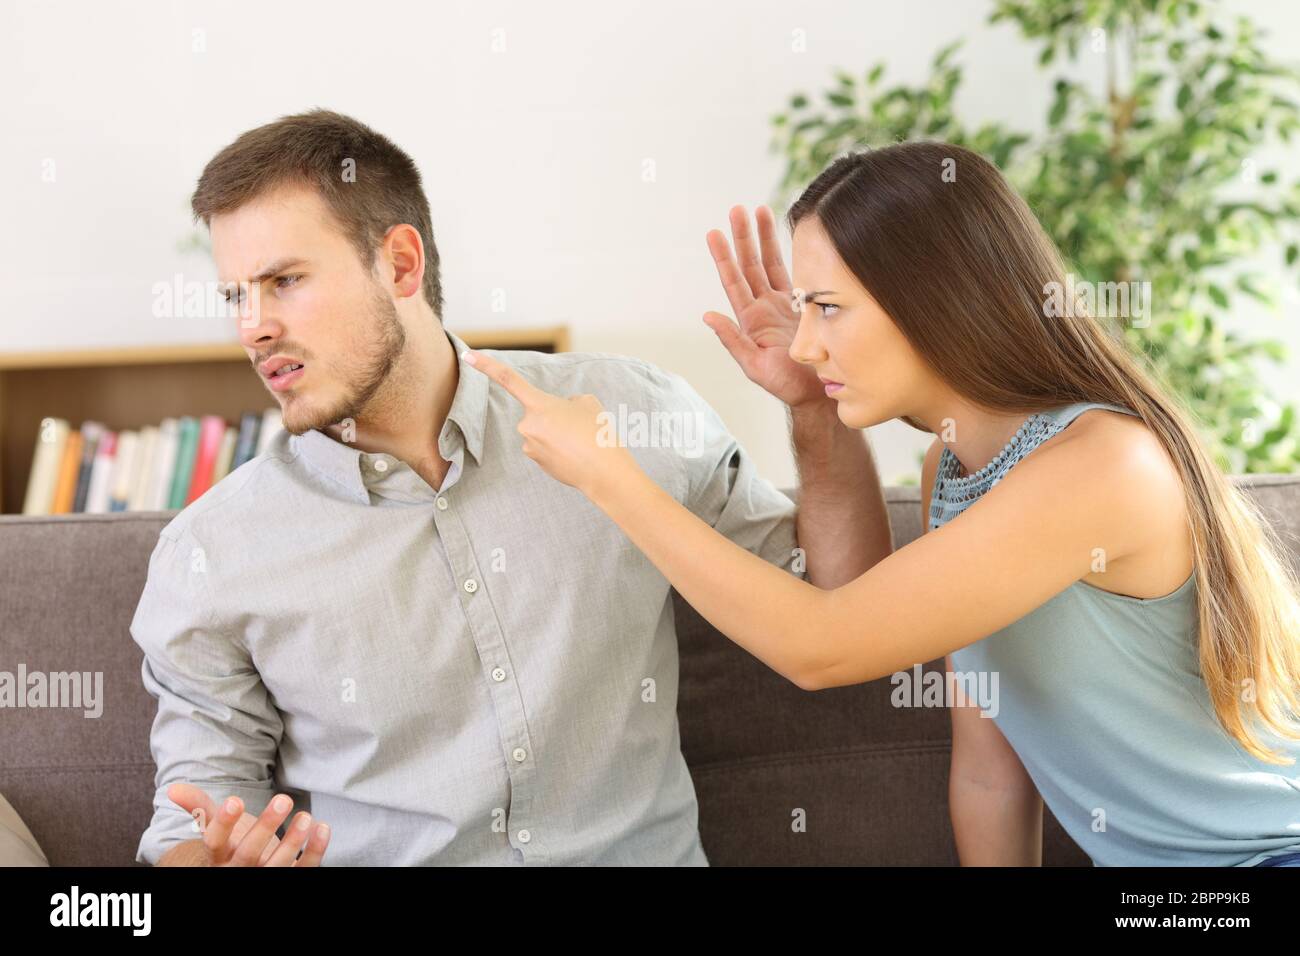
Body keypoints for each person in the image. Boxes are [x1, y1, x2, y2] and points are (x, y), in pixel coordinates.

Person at [464, 141, 1300, 867]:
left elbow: (821, 646)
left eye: (827, 309)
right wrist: (811, 408)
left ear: (935, 299)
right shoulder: (957, 466)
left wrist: (613, 478)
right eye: (804, 310)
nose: (803, 342)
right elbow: (987, 764)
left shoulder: (1101, 467)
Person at [130, 109, 890, 866]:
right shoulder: (213, 554)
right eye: (236, 297)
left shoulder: (630, 418)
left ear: (400, 264)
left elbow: (842, 602)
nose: (252, 329)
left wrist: (816, 404)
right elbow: (193, 816)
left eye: (285, 282)